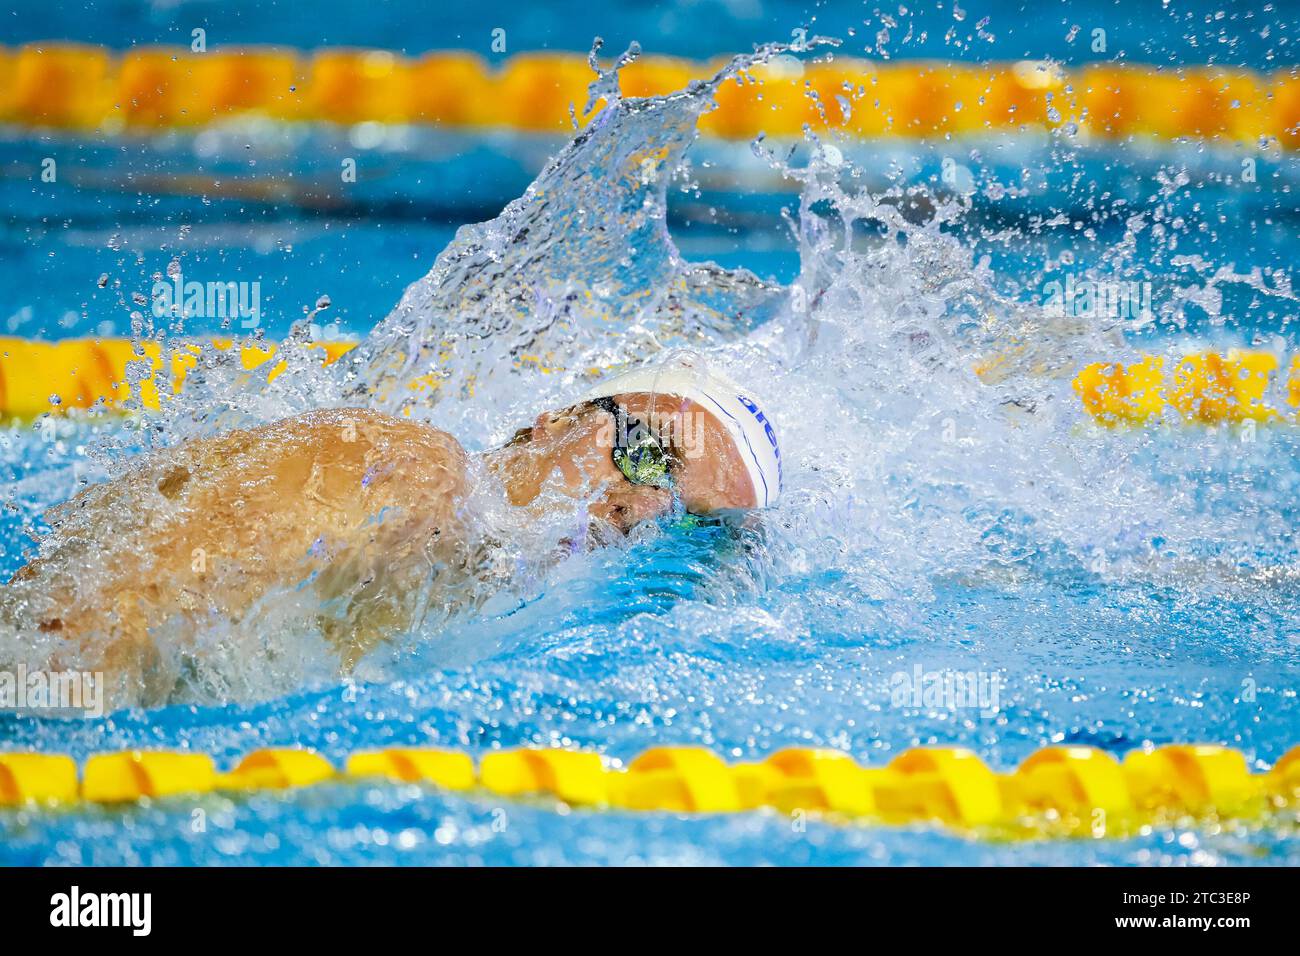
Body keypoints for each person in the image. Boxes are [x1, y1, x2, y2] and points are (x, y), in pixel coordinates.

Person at [2, 361, 781, 706]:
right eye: (647, 450)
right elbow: (84, 621)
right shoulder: (409, 473)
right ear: (560, 419)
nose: (642, 507)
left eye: (686, 517)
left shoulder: (470, 615)